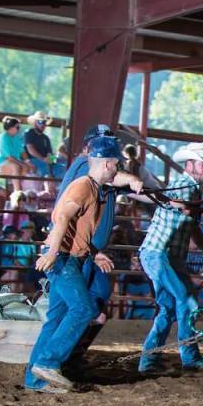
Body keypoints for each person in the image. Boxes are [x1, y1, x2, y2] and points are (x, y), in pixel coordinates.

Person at [24, 135, 138, 393]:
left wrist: (89, 252)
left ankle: (35, 380)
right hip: (64, 259)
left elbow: (75, 225)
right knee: (84, 308)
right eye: (116, 165)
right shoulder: (84, 186)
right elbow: (63, 216)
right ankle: (48, 362)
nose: (117, 169)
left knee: (56, 318)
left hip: (71, 256)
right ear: (109, 164)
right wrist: (53, 252)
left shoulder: (92, 187)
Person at [137, 142, 203, 373]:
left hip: (167, 257)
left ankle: (149, 361)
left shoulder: (193, 187)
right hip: (159, 254)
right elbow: (186, 209)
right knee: (187, 301)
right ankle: (190, 358)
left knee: (170, 307)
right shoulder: (183, 184)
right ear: (190, 164)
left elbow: (192, 225)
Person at [56, 124, 145, 366]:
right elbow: (65, 217)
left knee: (97, 301)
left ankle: (71, 356)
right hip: (75, 252)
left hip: (87, 252)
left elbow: (128, 185)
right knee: (80, 308)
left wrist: (168, 200)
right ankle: (57, 360)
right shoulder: (86, 168)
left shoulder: (103, 177)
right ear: (88, 149)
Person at [0, 116, 31, 190]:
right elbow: (9, 157)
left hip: (14, 161)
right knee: (15, 167)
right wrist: (21, 163)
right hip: (1, 164)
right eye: (17, 127)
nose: (18, 129)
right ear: (11, 128)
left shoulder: (16, 137)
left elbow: (23, 152)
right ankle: (17, 191)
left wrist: (28, 162)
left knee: (27, 168)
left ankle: (18, 188)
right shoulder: (3, 138)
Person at [22, 111, 54, 186]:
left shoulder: (46, 138)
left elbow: (50, 154)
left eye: (44, 122)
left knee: (61, 168)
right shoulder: (29, 133)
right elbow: (30, 150)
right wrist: (43, 159)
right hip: (32, 160)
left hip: (45, 162)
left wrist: (51, 160)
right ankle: (48, 190)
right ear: (35, 122)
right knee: (45, 168)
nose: (43, 124)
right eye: (40, 121)